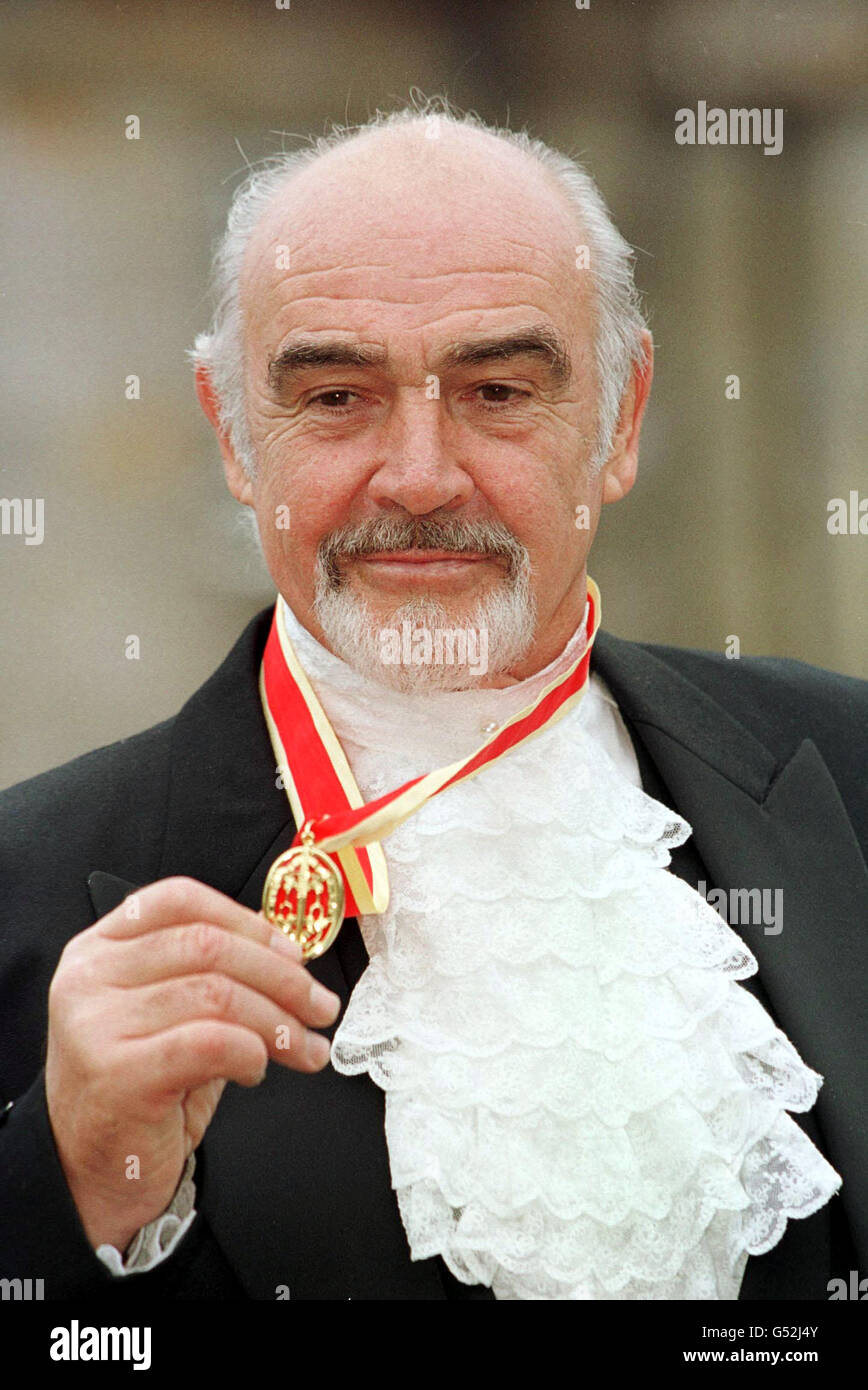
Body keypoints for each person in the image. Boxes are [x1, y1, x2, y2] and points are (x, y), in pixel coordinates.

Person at [1, 102, 866, 1302]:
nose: (417, 477)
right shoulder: (24, 885)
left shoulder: (848, 761)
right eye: (336, 397)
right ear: (234, 436)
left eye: (498, 390)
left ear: (619, 417)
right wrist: (74, 1186)